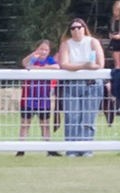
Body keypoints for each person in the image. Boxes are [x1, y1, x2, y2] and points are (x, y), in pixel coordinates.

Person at [56, 13, 103, 155]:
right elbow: (64, 64)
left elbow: (99, 64)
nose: (76, 30)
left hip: (92, 84)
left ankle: (86, 150)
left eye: (79, 27)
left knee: (88, 118)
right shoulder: (66, 44)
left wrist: (78, 66)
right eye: (73, 28)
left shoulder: (93, 42)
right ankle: (72, 150)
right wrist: (84, 66)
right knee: (72, 117)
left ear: (84, 28)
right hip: (72, 84)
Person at [21, 38, 57, 146]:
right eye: (41, 49)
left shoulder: (50, 60)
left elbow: (57, 67)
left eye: (46, 50)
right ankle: (21, 148)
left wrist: (40, 68)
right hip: (28, 97)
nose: (43, 52)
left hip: (44, 98)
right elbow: (25, 64)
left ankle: (49, 148)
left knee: (45, 124)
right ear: (36, 49)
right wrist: (33, 56)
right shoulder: (32, 59)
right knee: (25, 123)